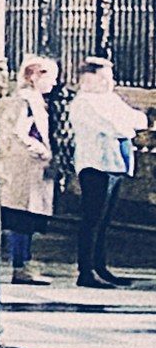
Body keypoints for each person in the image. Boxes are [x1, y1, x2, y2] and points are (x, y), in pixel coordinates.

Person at [68, 54, 143, 287]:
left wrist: (126, 124)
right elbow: (112, 127)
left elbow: (139, 119)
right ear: (88, 78)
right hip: (95, 165)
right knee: (92, 218)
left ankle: (100, 266)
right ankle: (86, 271)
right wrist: (126, 126)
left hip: (115, 164)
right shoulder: (84, 102)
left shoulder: (110, 99)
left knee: (104, 220)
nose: (109, 83)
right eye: (103, 78)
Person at [0, 53, 58, 284]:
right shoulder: (24, 100)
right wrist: (38, 149)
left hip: (33, 169)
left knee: (28, 218)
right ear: (34, 76)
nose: (54, 83)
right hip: (24, 168)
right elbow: (16, 131)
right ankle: (20, 265)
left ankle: (24, 263)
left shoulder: (36, 100)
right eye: (50, 77)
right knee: (22, 218)